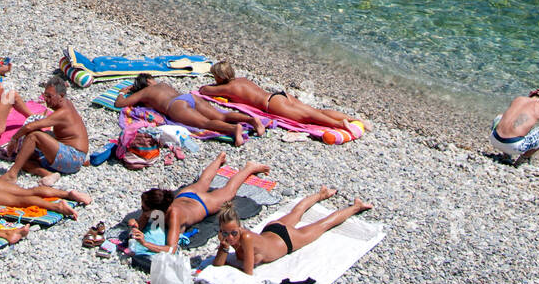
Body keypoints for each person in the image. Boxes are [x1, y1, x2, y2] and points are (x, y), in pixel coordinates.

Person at [213, 187, 373, 273]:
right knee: (296, 213)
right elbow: (217, 265)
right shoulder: (227, 239)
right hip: (272, 230)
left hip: (287, 239)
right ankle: (321, 194)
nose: (230, 237)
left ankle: (356, 207)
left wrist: (228, 261)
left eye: (234, 233)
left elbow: (248, 271)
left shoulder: (246, 238)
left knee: (323, 225)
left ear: (240, 229)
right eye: (225, 233)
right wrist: (224, 246)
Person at [144, 149, 271, 253]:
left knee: (229, 190)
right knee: (203, 182)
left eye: (145, 209)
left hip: (202, 203)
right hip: (184, 197)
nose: (143, 211)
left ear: (158, 210)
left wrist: (144, 243)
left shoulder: (174, 216)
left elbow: (171, 249)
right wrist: (135, 226)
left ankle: (249, 168)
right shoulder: (157, 209)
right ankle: (219, 159)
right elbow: (139, 222)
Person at [201, 61, 359, 136]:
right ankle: (351, 119)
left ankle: (339, 124)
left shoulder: (228, 87)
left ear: (220, 77)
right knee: (315, 111)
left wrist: (215, 85)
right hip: (280, 96)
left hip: (271, 104)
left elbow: (204, 90)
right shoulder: (242, 80)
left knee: (308, 117)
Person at [115, 73, 265, 146]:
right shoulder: (163, 84)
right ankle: (251, 120)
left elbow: (120, 104)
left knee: (205, 123)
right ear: (149, 80)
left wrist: (123, 91)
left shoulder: (145, 92)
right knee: (221, 115)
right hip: (189, 97)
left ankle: (234, 129)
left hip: (175, 106)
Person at [0, 73, 90, 178]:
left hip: (74, 157)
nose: (46, 99)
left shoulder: (63, 113)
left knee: (34, 136)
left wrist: (14, 139)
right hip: (72, 154)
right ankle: (47, 174)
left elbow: (30, 127)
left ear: (61, 96)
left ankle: (12, 174)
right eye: (45, 95)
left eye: (49, 96)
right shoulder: (66, 103)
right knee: (23, 158)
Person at [490, 89, 539, 163]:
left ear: (531, 94)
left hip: (494, 139)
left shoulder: (519, 99)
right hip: (513, 146)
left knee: (500, 117)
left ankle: (506, 155)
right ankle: (523, 160)